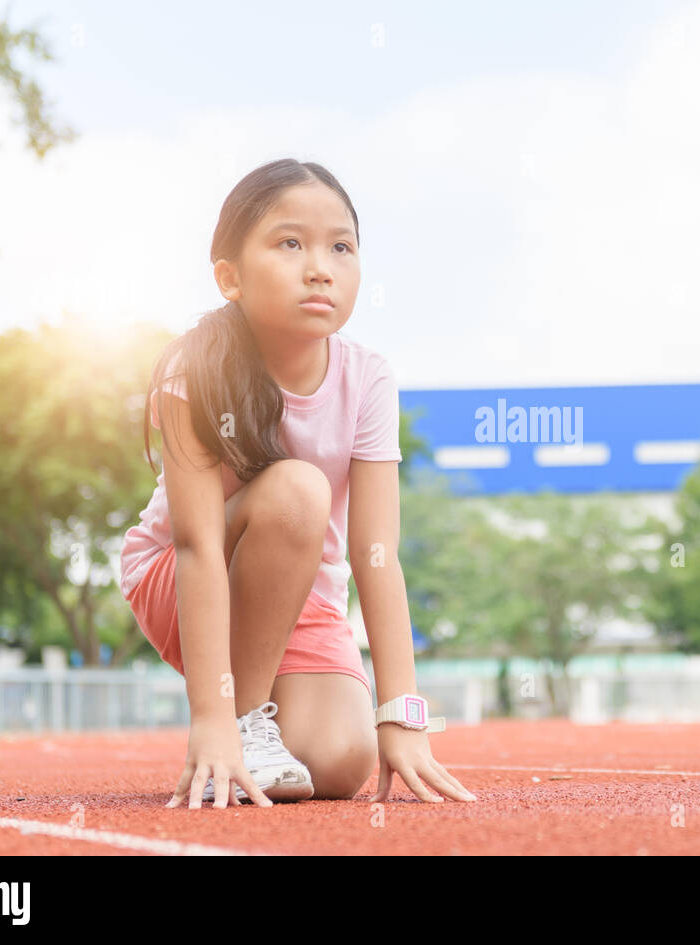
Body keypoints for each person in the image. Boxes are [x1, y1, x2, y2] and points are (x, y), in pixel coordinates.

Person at [118, 158, 477, 810]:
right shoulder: (191, 371)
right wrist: (214, 719)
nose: (321, 266)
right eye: (291, 243)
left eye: (341, 246)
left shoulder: (367, 378)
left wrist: (403, 714)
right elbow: (198, 546)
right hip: (184, 572)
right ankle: (246, 721)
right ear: (229, 276)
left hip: (303, 591)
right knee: (298, 490)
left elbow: (377, 554)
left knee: (340, 761)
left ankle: (260, 725)